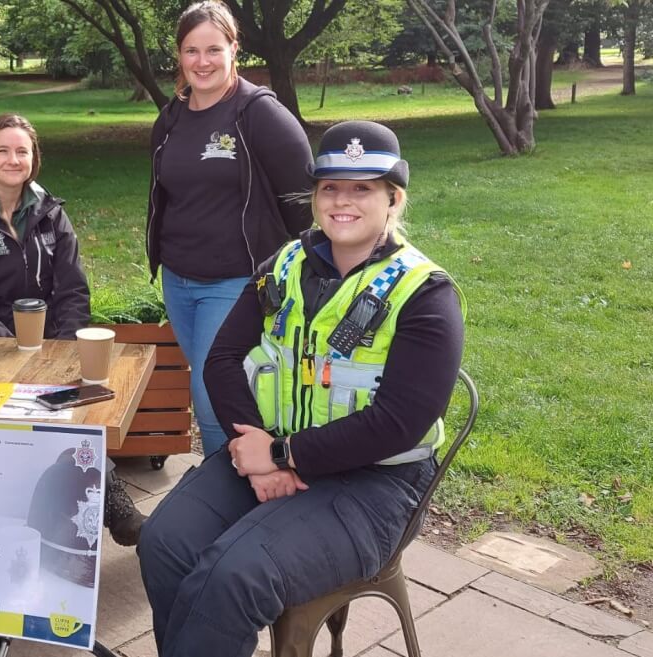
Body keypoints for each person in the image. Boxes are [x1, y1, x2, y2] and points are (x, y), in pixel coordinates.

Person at [137, 120, 465, 656]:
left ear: (393, 198)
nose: (343, 201)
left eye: (363, 189)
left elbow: (400, 421)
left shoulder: (425, 294)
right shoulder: (284, 266)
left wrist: (284, 454)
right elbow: (221, 358)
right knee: (163, 543)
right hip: (269, 446)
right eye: (330, 187)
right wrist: (257, 450)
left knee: (230, 578)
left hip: (373, 485)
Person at [0, 113, 145, 547]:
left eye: (21, 151)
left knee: (66, 402)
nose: (13, 159)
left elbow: (73, 292)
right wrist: (19, 353)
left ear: (34, 159)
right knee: (29, 412)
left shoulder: (52, 215)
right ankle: (111, 499)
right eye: (2, 151)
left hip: (52, 346)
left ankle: (106, 500)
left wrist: (59, 350)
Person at [146, 1, 315, 457]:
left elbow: (304, 200)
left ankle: (229, 493)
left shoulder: (259, 114)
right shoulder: (172, 116)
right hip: (178, 279)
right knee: (222, 388)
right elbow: (166, 193)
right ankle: (233, 484)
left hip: (238, 280)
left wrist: (278, 261)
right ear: (179, 55)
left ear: (234, 49)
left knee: (212, 391)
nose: (202, 61)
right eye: (191, 50)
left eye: (213, 49)